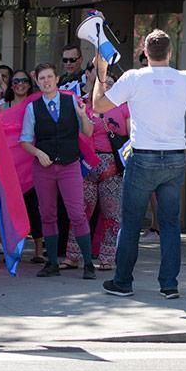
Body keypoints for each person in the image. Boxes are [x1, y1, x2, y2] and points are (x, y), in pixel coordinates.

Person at [92, 29, 186, 299]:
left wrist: (100, 75)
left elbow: (98, 106)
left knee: (131, 222)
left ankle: (123, 282)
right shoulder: (185, 78)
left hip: (143, 156)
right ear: (170, 52)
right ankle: (169, 285)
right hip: (175, 156)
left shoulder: (133, 78)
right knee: (170, 224)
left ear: (145, 52)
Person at [20, 62, 96, 279]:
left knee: (77, 214)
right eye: (42, 78)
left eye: (49, 77)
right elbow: (24, 140)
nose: (46, 81)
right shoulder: (32, 108)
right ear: (37, 81)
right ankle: (52, 262)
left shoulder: (71, 100)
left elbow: (88, 132)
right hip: (44, 168)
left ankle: (88, 263)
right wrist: (38, 153)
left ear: (56, 79)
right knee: (47, 214)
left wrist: (83, 115)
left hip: (69, 165)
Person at [64, 67, 129, 271]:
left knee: (112, 215)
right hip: (86, 166)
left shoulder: (124, 107)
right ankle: (72, 256)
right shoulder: (83, 105)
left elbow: (131, 135)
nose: (106, 87)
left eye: (110, 84)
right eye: (102, 84)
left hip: (112, 168)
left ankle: (107, 258)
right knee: (80, 214)